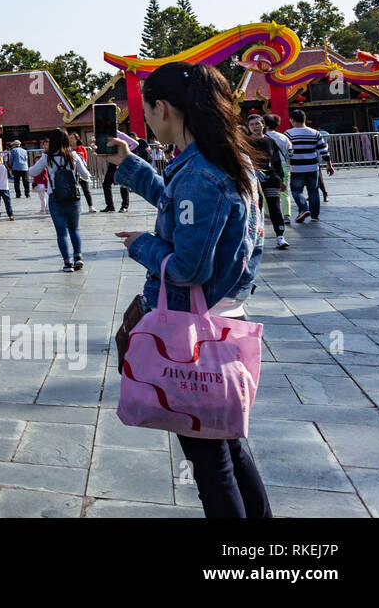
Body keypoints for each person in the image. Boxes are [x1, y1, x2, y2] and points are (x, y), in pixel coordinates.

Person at [105, 62, 271, 519]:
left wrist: (143, 245)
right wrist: (129, 164)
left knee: (211, 465)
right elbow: (177, 206)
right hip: (222, 320)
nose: (147, 121)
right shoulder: (223, 161)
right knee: (227, 446)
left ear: (162, 108)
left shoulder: (200, 173)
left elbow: (187, 269)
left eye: (146, 111)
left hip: (192, 331)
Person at [28, 129, 92, 270]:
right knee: (74, 229)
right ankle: (78, 257)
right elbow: (86, 175)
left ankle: (67, 263)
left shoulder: (47, 157)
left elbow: (33, 172)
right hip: (73, 198)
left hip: (55, 198)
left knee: (61, 233)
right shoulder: (73, 155)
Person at [247, 113, 289, 250]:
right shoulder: (245, 142)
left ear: (263, 125)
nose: (255, 127)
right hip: (252, 178)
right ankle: (254, 237)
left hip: (270, 177)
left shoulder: (270, 142)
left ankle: (280, 236)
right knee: (255, 208)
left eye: (257, 123)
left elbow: (276, 162)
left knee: (274, 207)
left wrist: (281, 179)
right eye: (251, 124)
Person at [285, 110, 333, 223]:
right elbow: (323, 150)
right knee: (313, 191)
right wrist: (329, 165)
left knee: (296, 191)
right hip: (312, 167)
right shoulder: (315, 133)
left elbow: (288, 151)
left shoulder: (288, 133)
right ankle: (315, 216)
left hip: (297, 167)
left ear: (292, 120)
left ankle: (304, 208)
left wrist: (288, 158)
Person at [263, 114, 292, 223]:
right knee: (284, 191)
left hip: (268, 166)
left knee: (266, 190)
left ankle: (268, 214)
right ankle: (286, 215)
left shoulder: (263, 137)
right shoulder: (283, 137)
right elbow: (290, 153)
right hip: (283, 165)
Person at [69, 132, 97, 213]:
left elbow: (85, 161)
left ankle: (91, 206)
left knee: (86, 189)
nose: (70, 140)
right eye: (69, 138)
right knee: (75, 190)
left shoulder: (82, 148)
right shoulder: (68, 149)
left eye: (72, 138)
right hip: (72, 172)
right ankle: (77, 207)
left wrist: (81, 170)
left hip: (81, 171)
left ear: (76, 139)